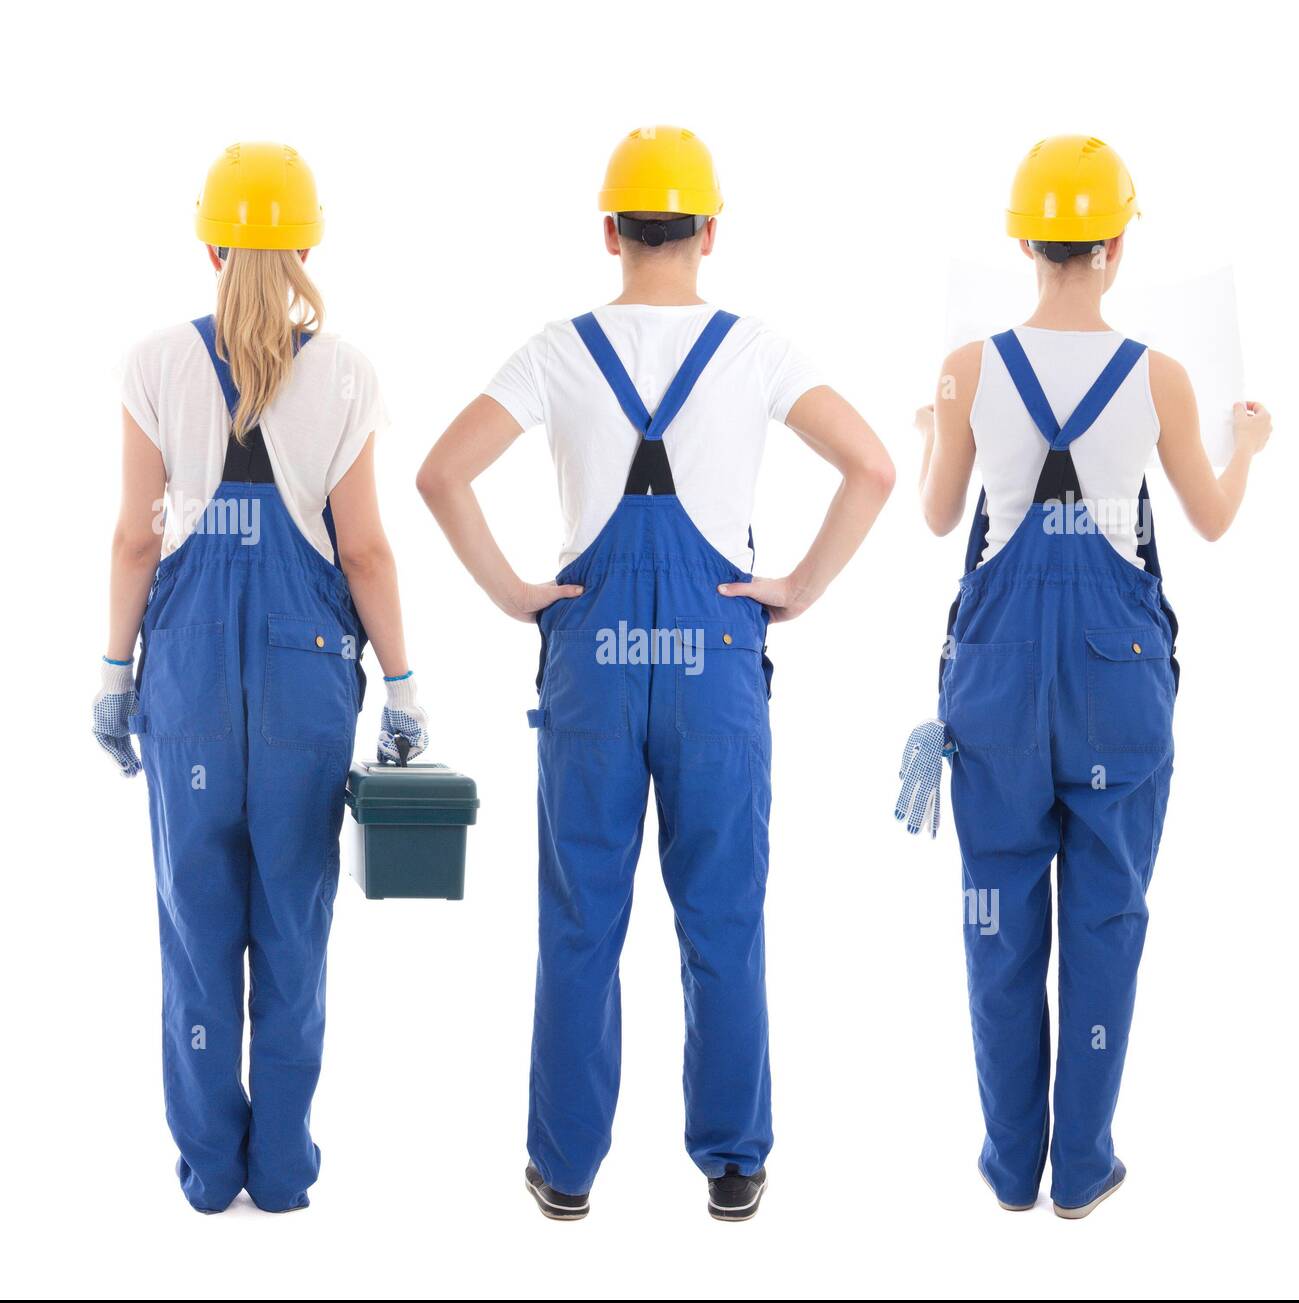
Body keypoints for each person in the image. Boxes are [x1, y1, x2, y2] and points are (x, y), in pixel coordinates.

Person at [418, 125, 895, 1222]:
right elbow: (873, 465)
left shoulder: (556, 349)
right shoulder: (757, 348)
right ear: (711, 233)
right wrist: (801, 586)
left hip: (590, 657)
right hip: (716, 660)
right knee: (722, 914)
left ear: (609, 232)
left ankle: (567, 1168)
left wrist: (510, 592)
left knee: (582, 914)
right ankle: (733, 1164)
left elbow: (440, 473)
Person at [914, 134, 1272, 1218]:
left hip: (1000, 683)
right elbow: (1207, 521)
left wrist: (937, 428)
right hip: (1117, 682)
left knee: (998, 917)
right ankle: (1082, 1171)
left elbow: (940, 517)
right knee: (1108, 916)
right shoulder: (1159, 374)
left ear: (1026, 242)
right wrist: (1247, 443)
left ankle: (1011, 1165)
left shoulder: (968, 368)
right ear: (1114, 247)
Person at [92, 142, 431, 1213]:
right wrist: (408, 687)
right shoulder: (345, 373)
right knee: (293, 926)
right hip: (304, 689)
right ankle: (281, 1171)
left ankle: (207, 1173)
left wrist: (112, 673)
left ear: (211, 245)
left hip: (185, 686)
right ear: (303, 251)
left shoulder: (153, 364)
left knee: (197, 936)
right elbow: (366, 550)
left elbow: (136, 542)